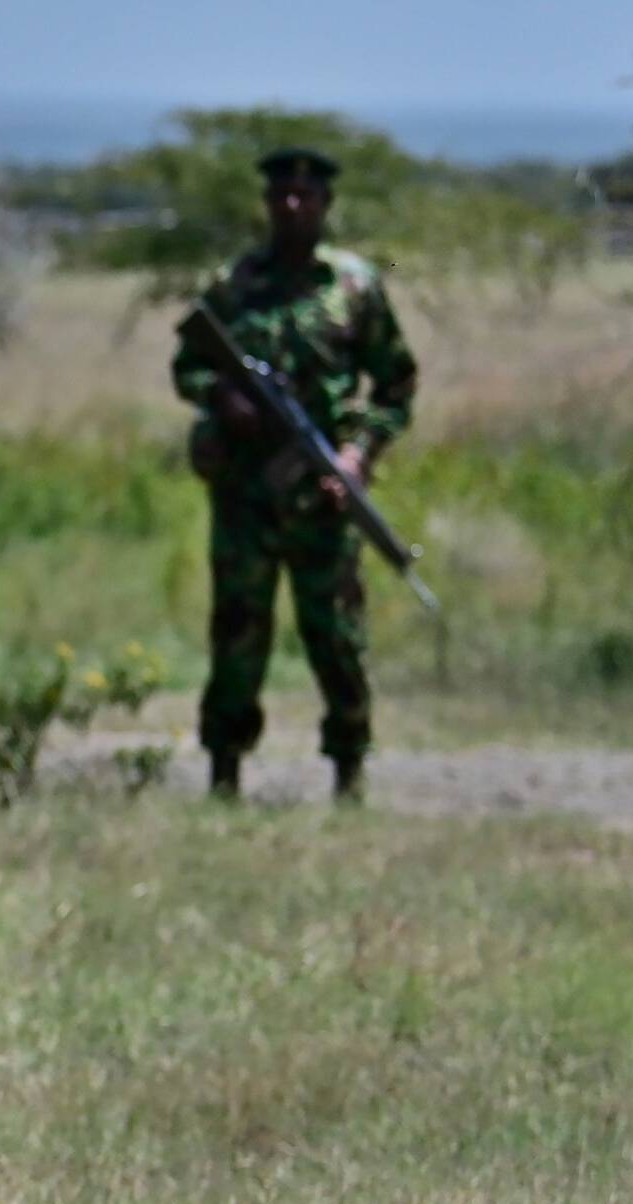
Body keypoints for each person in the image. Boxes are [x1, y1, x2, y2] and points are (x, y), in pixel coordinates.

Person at [172, 145, 419, 803]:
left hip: (325, 500)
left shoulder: (356, 287)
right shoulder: (235, 284)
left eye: (305, 197)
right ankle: (224, 774)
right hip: (244, 499)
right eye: (282, 195)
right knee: (237, 637)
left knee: (337, 639)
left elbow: (396, 385)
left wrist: (357, 455)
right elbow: (188, 366)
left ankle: (350, 774)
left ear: (325, 206)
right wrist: (224, 398)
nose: (292, 206)